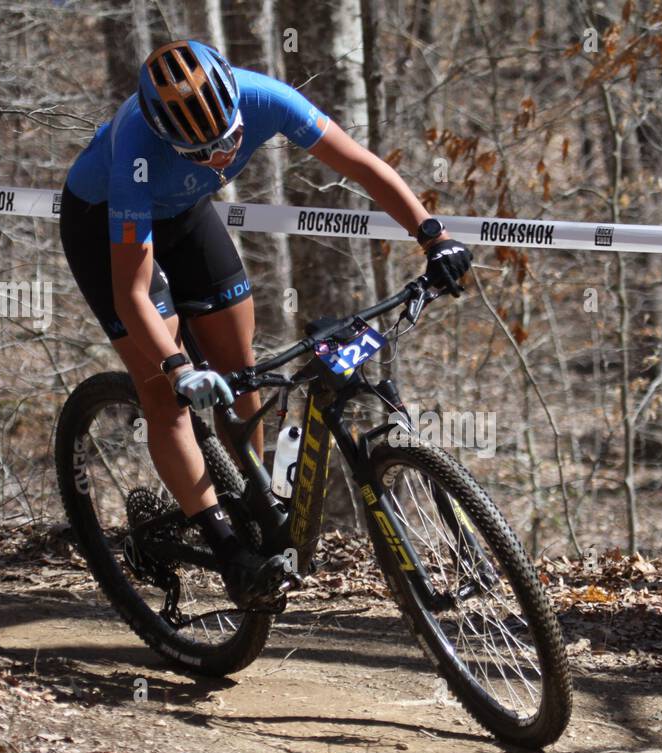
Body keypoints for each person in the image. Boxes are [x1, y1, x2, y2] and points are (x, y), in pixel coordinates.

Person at [59, 39, 471, 609]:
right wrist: (178, 367)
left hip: (183, 215)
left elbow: (359, 165)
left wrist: (433, 234)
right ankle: (226, 548)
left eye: (228, 141)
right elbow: (131, 291)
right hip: (106, 224)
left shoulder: (266, 98)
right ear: (165, 136)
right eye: (200, 153)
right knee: (165, 396)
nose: (222, 159)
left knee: (242, 372)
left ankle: (255, 508)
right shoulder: (136, 148)